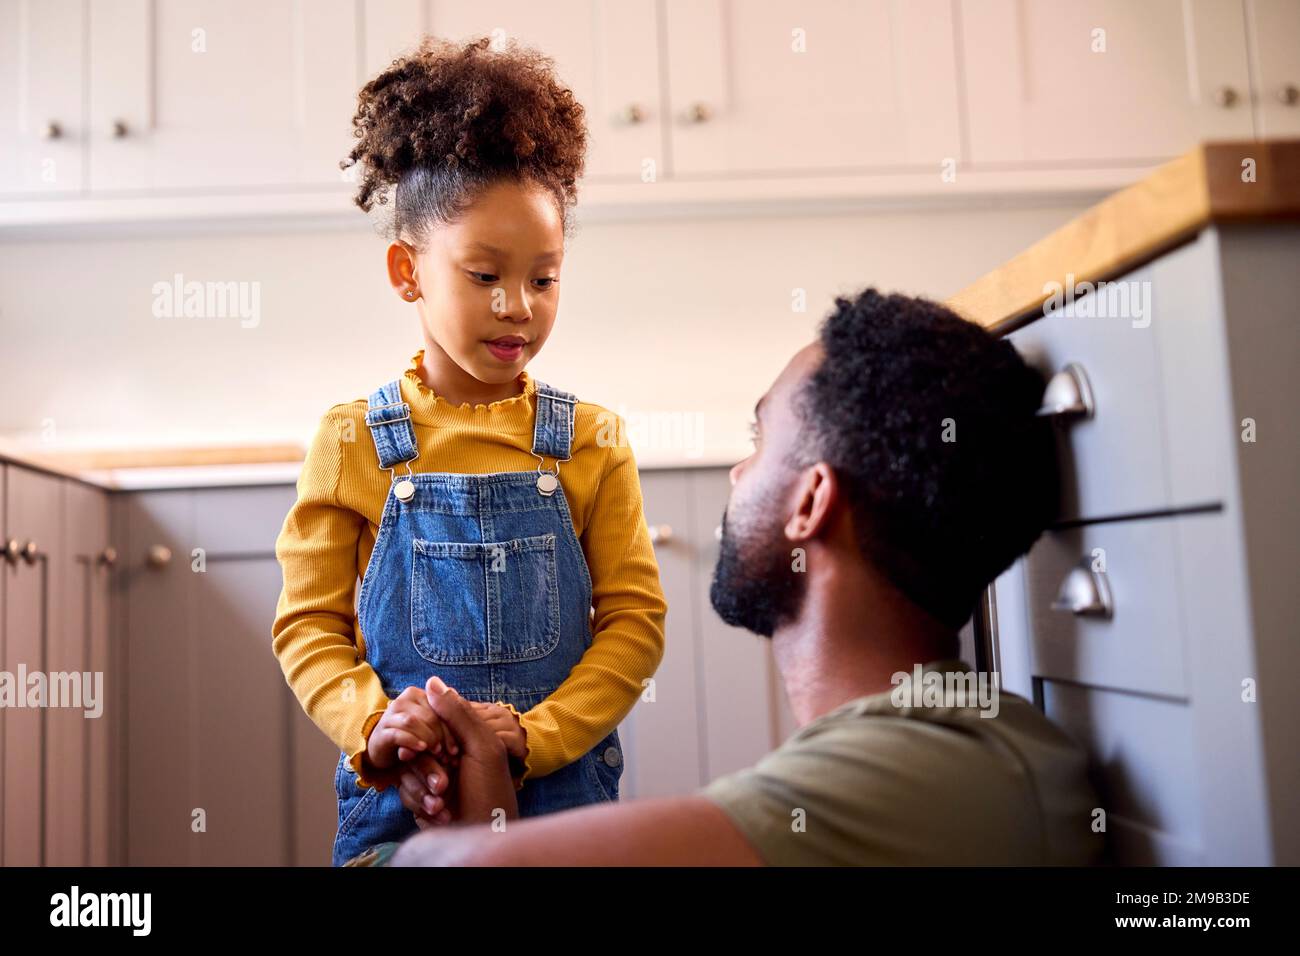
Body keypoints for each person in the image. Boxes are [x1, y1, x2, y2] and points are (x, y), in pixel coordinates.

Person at [374, 288, 1104, 866]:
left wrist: (456, 838)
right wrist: (488, 799)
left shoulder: (925, 779)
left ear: (812, 502)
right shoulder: (977, 748)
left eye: (760, 440)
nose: (737, 470)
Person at [271, 35, 667, 867]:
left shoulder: (593, 439)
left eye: (545, 277)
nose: (518, 306)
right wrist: (378, 729)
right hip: (399, 811)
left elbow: (634, 626)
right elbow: (309, 628)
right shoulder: (352, 441)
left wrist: (531, 736)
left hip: (561, 803)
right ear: (407, 271)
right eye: (484, 275)